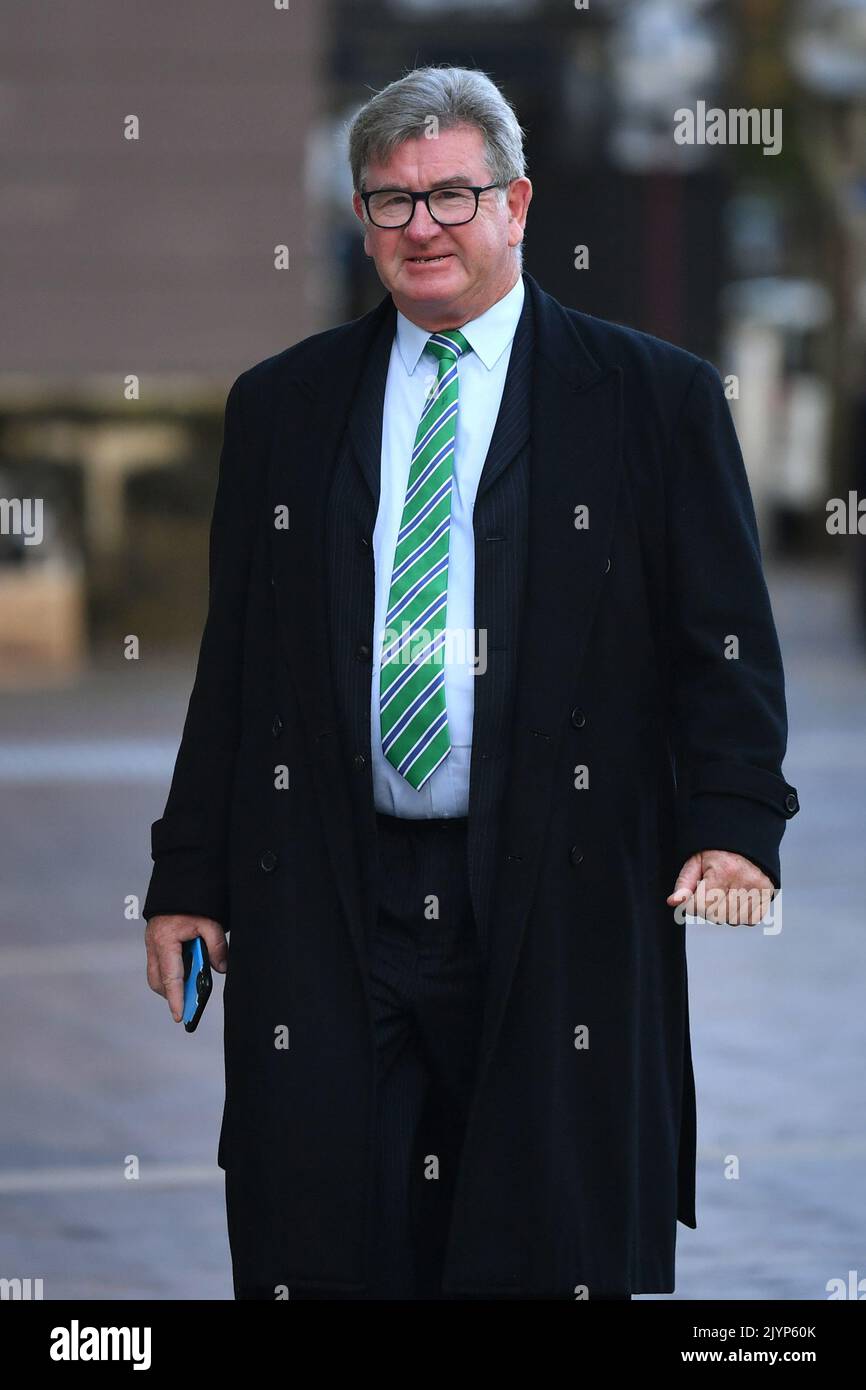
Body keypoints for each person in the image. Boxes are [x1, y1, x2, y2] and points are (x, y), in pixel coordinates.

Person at [143, 65, 800, 1301]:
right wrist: (185, 875)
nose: (422, 226)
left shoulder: (650, 400)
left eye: (453, 193)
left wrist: (733, 827)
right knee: (325, 1230)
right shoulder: (281, 406)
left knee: (543, 1236)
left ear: (517, 205)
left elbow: (720, 642)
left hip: (559, 885)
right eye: (390, 202)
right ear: (360, 221)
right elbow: (236, 663)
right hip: (332, 889)